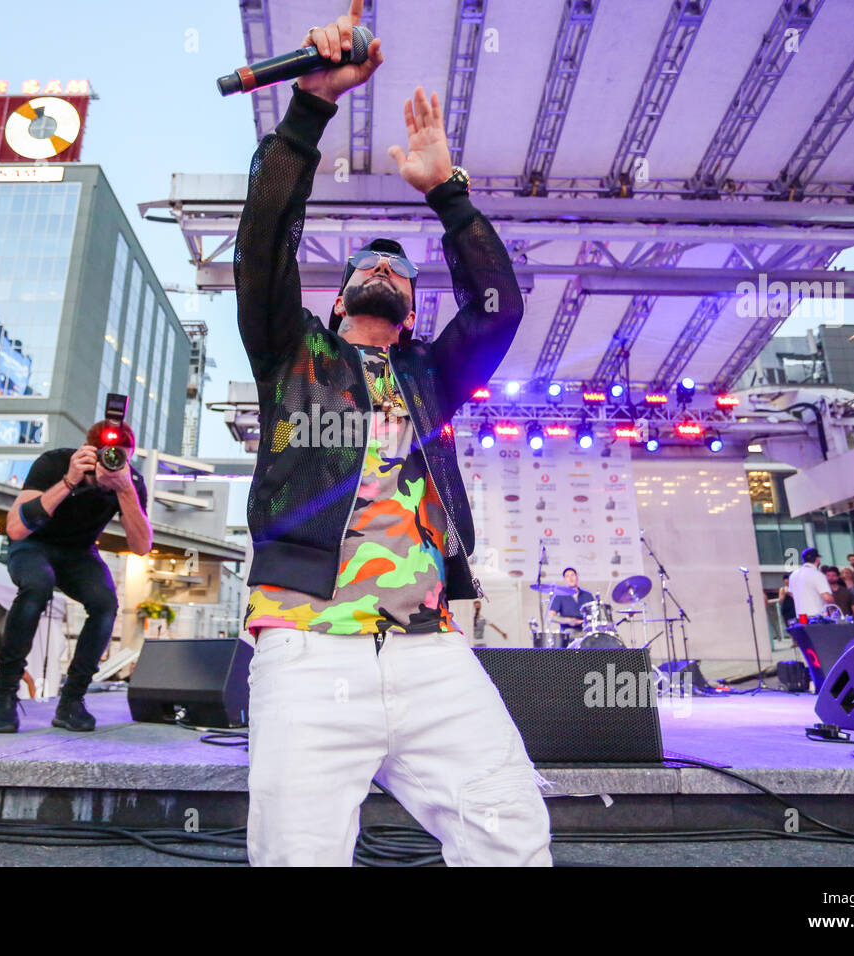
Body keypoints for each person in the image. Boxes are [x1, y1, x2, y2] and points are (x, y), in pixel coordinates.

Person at [235, 2, 546, 867]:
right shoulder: (292, 352)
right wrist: (309, 107)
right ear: (334, 303)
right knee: (299, 855)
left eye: (399, 272)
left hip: (430, 648)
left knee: (511, 833)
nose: (382, 270)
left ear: (412, 311)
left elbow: (499, 309)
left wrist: (449, 194)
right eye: (365, 267)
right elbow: (263, 246)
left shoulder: (431, 378)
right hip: (305, 641)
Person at [0, 420, 152, 734]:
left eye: (121, 457)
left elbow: (141, 546)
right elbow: (16, 529)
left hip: (79, 552)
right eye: (106, 456)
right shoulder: (56, 463)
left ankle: (72, 699)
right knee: (37, 585)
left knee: (104, 603)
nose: (112, 463)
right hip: (33, 543)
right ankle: (4, 693)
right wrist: (69, 480)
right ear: (88, 452)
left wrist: (125, 488)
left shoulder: (128, 480)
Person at [548, 567, 596, 642]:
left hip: (587, 630)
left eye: (572, 575)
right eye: (567, 576)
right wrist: (569, 621)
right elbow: (551, 616)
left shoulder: (587, 595)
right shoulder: (559, 595)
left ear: (577, 577)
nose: (571, 578)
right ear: (565, 580)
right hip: (568, 632)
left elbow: (595, 613)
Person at [788, 547, 833, 620]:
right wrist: (834, 609)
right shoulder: (817, 574)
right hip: (817, 617)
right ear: (817, 559)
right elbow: (827, 597)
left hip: (801, 618)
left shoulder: (793, 575)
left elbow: (791, 593)